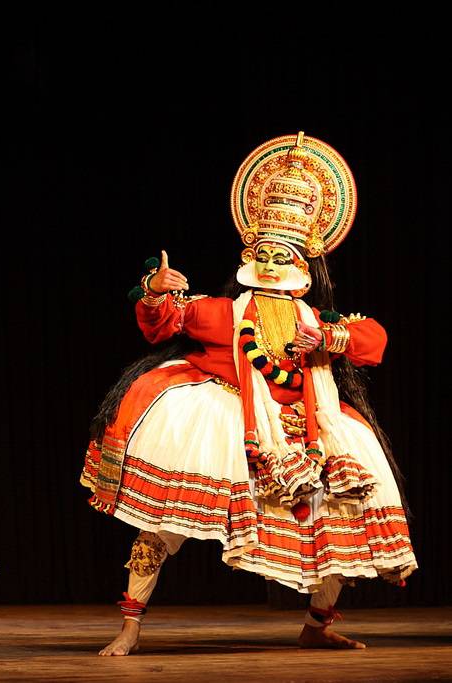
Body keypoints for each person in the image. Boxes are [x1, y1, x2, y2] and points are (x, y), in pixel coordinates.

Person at [81, 133, 416, 655]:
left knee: (346, 511)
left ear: (304, 263)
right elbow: (162, 322)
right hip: (229, 423)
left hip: (308, 424)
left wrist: (328, 339)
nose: (271, 262)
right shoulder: (220, 312)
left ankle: (317, 624)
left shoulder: (316, 319)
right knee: (165, 523)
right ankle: (130, 626)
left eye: (283, 253)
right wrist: (154, 288)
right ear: (248, 254)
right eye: (264, 252)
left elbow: (373, 338)